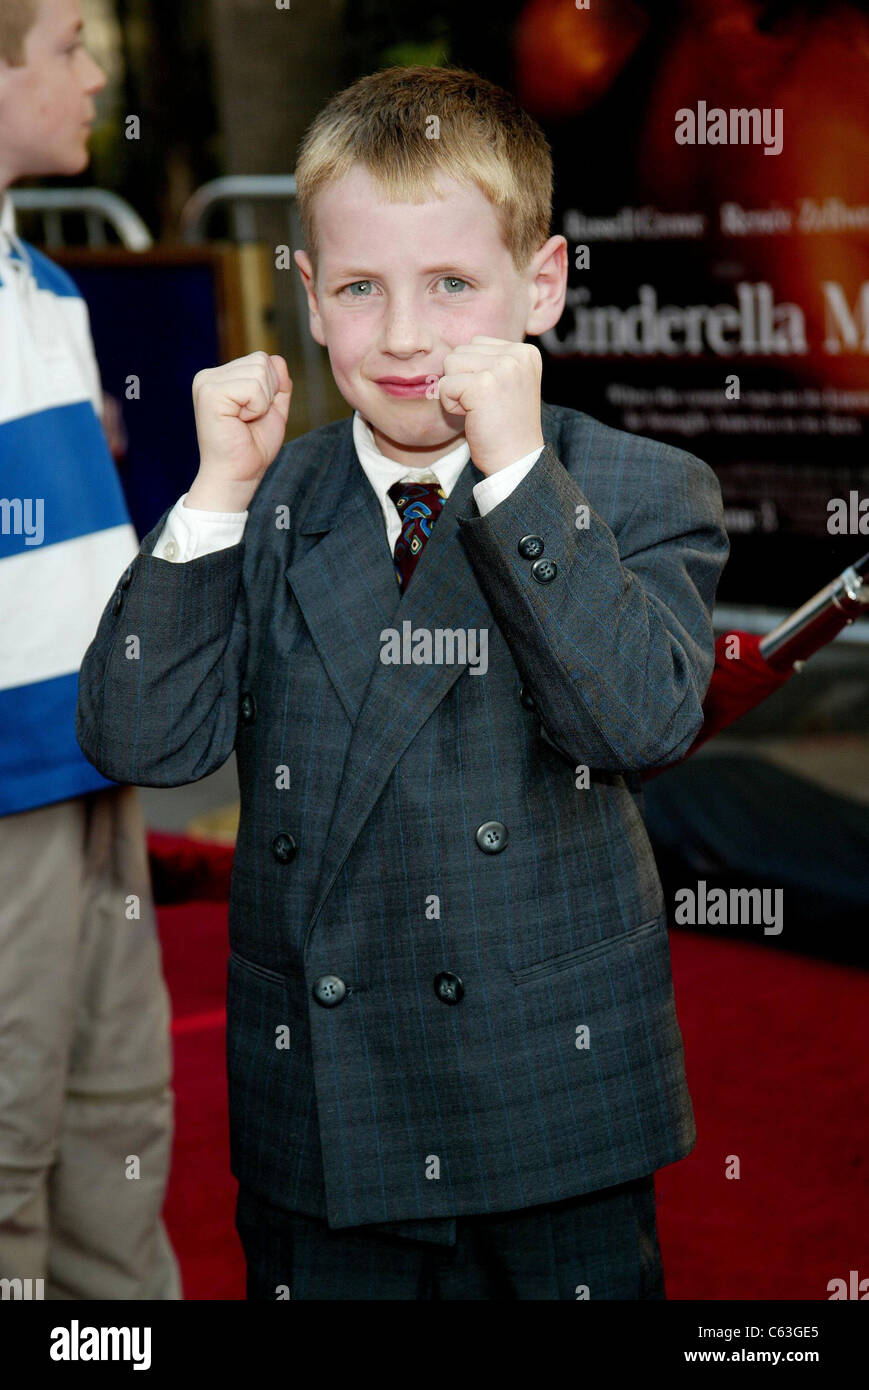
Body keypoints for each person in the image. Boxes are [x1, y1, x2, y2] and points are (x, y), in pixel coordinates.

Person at [77, 64, 730, 1300]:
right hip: (326, 1106)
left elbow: (634, 720)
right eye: (361, 289)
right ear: (311, 300)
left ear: (538, 287)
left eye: (450, 286)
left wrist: (521, 478)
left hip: (550, 1097)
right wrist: (214, 494)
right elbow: (138, 738)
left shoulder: (637, 487)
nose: (405, 337)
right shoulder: (270, 500)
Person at [0, 0, 180, 1299]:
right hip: (6, 794)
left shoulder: (51, 292)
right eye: (67, 45)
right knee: (9, 1127)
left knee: (116, 1105)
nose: (95, 72)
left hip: (97, 763)